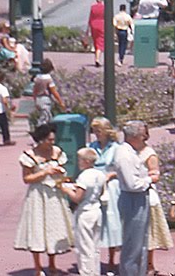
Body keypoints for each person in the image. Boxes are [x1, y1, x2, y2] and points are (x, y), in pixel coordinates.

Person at [14, 123, 75, 275]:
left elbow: (62, 172)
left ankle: (52, 264)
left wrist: (61, 175)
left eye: (53, 139)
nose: (52, 142)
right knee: (37, 227)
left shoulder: (57, 152)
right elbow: (27, 179)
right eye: (49, 140)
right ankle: (38, 267)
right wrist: (45, 172)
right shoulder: (30, 156)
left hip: (54, 193)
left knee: (53, 227)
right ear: (41, 140)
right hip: (38, 194)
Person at [60, 147, 108, 276]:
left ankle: (87, 272)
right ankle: (95, 271)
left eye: (80, 160)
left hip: (85, 212)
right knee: (95, 245)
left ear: (86, 161)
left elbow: (77, 198)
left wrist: (66, 190)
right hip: (96, 209)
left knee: (84, 246)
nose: (78, 162)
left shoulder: (84, 176)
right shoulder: (100, 174)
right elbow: (101, 192)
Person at [115, 120, 152, 276]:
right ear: (133, 137)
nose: (145, 139)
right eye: (143, 136)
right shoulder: (124, 155)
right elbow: (132, 184)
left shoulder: (132, 152)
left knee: (141, 243)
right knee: (132, 244)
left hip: (139, 197)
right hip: (132, 198)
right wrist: (150, 179)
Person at [88, 118, 124, 274]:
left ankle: (111, 260)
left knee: (112, 221)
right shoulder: (91, 147)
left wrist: (110, 175)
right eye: (95, 131)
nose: (97, 134)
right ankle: (93, 259)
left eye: (99, 131)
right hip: (95, 185)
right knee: (94, 221)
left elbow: (121, 168)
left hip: (111, 186)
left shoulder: (116, 148)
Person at [142, 134, 173, 275]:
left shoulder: (149, 153)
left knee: (149, 233)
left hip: (146, 195)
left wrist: (139, 180)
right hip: (129, 195)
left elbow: (155, 175)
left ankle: (149, 265)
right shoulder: (127, 151)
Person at [32, 57, 67, 128]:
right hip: (45, 99)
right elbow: (54, 91)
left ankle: (46, 130)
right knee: (45, 118)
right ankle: (39, 130)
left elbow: (34, 90)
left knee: (45, 115)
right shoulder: (48, 79)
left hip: (38, 98)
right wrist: (60, 101)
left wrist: (35, 99)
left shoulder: (37, 78)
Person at [88, 0, 107, 67]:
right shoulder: (104, 7)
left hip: (94, 24)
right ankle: (97, 59)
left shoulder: (93, 7)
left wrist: (88, 27)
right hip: (101, 24)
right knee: (100, 42)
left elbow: (90, 17)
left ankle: (96, 55)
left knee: (95, 41)